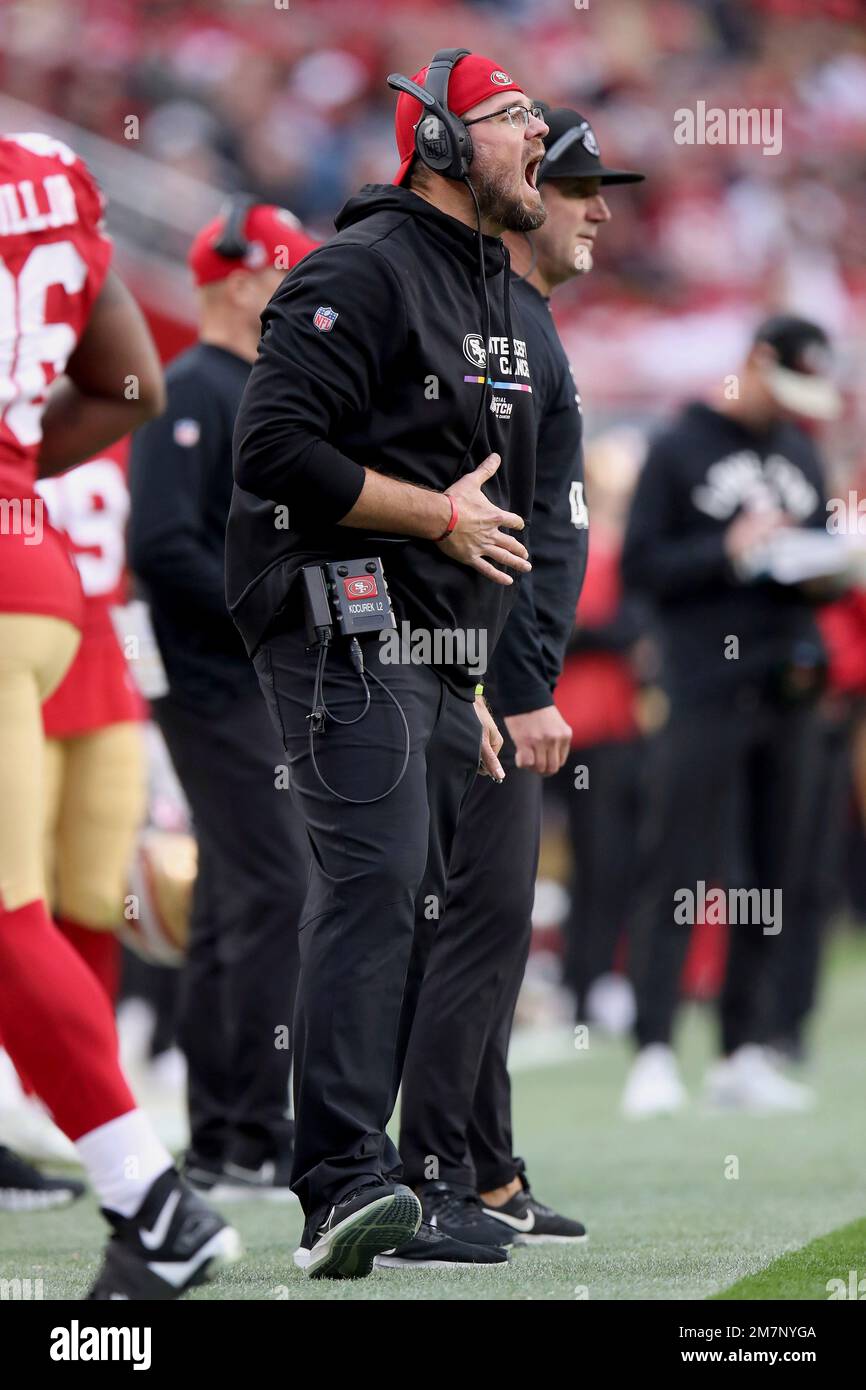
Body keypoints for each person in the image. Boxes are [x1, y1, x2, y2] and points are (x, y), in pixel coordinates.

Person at [226, 49, 546, 1277]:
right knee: (373, 884)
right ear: (440, 140)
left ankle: (405, 1177)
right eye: (511, 117)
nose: (537, 135)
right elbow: (270, 446)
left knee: (415, 894)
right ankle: (337, 1182)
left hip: (419, 641)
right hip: (331, 618)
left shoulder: (480, 287)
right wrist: (432, 519)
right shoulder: (360, 267)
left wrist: (461, 673)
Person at [393, 109, 645, 1259]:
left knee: (484, 928)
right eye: (575, 182)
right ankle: (433, 1171)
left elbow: (546, 530)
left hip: (491, 680)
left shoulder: (523, 326)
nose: (595, 206)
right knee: (473, 924)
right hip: (468, 682)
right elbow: (492, 532)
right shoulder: (481, 326)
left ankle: (485, 1168)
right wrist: (507, 679)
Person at [0, 132, 239, 1299]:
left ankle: (150, 1198)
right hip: (38, 582)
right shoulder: (46, 175)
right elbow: (132, 382)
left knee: (13, 917)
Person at [129, 201, 318, 1198]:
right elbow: (160, 544)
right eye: (288, 274)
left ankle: (223, 1134)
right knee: (274, 886)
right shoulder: (189, 388)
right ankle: (246, 1127)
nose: (301, 294)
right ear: (243, 279)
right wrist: (275, 608)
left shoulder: (259, 388)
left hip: (247, 675)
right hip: (211, 678)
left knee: (237, 898)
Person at [620, 315, 841, 1117]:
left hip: (788, 689)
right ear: (752, 364)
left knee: (773, 874)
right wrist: (729, 550)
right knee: (675, 867)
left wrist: (830, 566)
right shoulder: (678, 445)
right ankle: (651, 1049)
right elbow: (642, 564)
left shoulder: (799, 449)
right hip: (703, 687)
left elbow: (817, 555)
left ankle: (742, 1049)